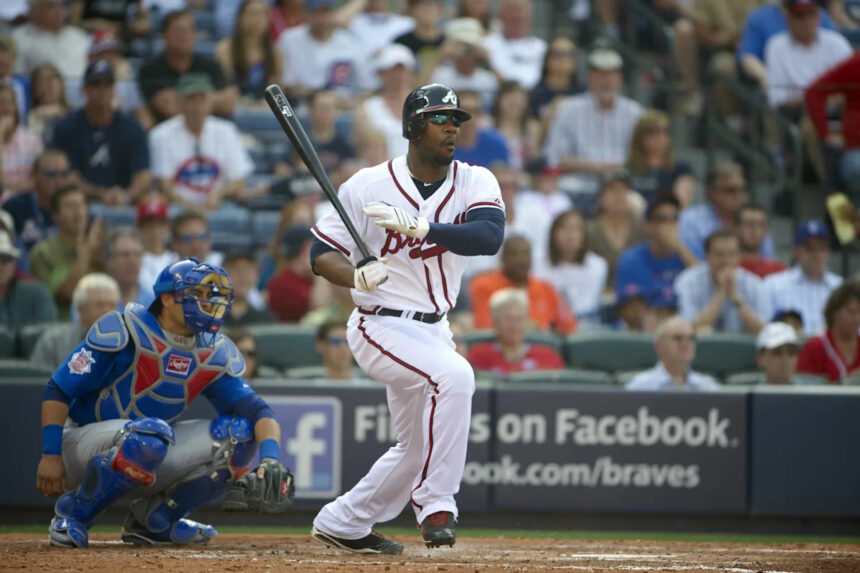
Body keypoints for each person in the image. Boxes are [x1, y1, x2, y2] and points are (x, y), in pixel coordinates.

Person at [308, 83, 506, 553]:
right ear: (414, 126)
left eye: (457, 120)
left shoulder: (475, 180)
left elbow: (488, 236)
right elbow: (321, 255)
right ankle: (436, 501)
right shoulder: (367, 185)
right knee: (455, 378)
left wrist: (424, 228)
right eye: (441, 119)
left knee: (416, 447)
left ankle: (343, 521)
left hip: (435, 328)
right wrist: (359, 271)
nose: (453, 128)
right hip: (379, 323)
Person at [37, 258, 289, 548]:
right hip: (82, 443)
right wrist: (50, 455)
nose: (207, 303)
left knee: (240, 435)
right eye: (198, 294)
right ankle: (73, 515)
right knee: (150, 435)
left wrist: (270, 458)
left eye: (211, 297)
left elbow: (258, 411)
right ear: (167, 298)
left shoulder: (213, 351)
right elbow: (58, 389)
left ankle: (154, 521)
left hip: (150, 448)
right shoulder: (123, 331)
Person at [543, 47, 643, 196]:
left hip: (623, 189)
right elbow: (555, 157)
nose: (606, 81)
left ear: (620, 78)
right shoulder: (570, 109)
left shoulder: (635, 112)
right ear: (589, 77)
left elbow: (644, 158)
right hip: (577, 188)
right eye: (600, 75)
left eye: (611, 75)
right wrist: (602, 168)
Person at [51, 60, 151, 206]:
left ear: (114, 89)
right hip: (82, 202)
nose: (102, 90)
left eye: (108, 85)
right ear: (84, 89)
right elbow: (68, 176)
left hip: (125, 202)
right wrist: (102, 195)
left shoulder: (131, 127)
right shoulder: (67, 127)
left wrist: (126, 196)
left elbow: (143, 175)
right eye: (96, 85)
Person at [149, 74, 253, 210]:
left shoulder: (227, 130)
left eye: (202, 99)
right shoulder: (160, 134)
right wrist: (191, 209)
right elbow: (164, 185)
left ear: (210, 101)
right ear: (180, 102)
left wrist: (218, 194)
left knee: (236, 216)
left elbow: (239, 179)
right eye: (191, 99)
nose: (197, 106)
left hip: (219, 204)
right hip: (178, 206)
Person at [137, 9, 238, 125]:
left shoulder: (209, 65)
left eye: (189, 30)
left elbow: (229, 101)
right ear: (164, 35)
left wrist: (184, 100)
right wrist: (210, 100)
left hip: (210, 132)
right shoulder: (151, 70)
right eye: (178, 31)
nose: (184, 36)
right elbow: (169, 107)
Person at [615, 194, 697, 330]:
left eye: (674, 219)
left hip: (687, 324)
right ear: (648, 225)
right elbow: (626, 311)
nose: (669, 225)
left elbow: (704, 285)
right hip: (644, 327)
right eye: (663, 219)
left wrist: (679, 246)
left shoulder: (691, 251)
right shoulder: (631, 259)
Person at [471, 235, 576, 333]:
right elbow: (484, 328)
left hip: (544, 348)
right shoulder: (484, 286)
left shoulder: (545, 288)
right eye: (514, 254)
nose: (520, 259)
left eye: (525, 254)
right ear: (502, 258)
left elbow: (568, 326)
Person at [29, 185, 103, 317]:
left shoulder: (101, 248)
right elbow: (67, 295)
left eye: (81, 205)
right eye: (70, 206)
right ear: (55, 216)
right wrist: (87, 251)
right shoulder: (42, 253)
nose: (78, 211)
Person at [764, 0, 851, 112]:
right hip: (795, 114)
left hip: (838, 111)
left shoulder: (837, 42)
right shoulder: (776, 47)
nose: (807, 21)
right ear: (788, 18)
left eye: (811, 14)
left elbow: (851, 87)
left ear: (819, 16)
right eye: (800, 16)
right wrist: (816, 99)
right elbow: (777, 99)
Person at [679, 160, 774, 260]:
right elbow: (689, 262)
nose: (738, 196)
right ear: (711, 193)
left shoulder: (756, 222)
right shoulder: (690, 220)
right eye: (730, 190)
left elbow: (767, 263)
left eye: (742, 189)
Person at [277, 0, 370, 102]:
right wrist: (320, 96)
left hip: (343, 109)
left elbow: (367, 86)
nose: (321, 18)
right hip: (301, 106)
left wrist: (352, 101)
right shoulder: (289, 39)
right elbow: (286, 86)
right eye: (316, 12)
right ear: (305, 13)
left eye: (325, 12)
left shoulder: (350, 41)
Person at [764, 220, 842, 336]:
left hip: (827, 351)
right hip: (790, 351)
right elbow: (765, 330)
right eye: (810, 247)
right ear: (796, 250)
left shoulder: (840, 287)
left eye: (823, 247)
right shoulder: (774, 285)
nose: (817, 254)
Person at [467, 287, 566, 376]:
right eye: (508, 319)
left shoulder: (548, 356)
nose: (514, 326)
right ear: (495, 323)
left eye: (519, 319)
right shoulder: (479, 356)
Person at [30, 273, 120, 367]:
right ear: (80, 309)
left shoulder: (126, 345)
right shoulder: (54, 342)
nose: (107, 311)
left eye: (112, 305)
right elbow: (38, 379)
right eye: (99, 305)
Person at [805, 51, 860, 201]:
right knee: (856, 168)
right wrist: (826, 134)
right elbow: (814, 92)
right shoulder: (856, 64)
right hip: (855, 150)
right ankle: (848, 221)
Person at [536, 209, 608, 324]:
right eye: (564, 228)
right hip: (547, 322)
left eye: (577, 229)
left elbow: (587, 305)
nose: (571, 235)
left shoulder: (598, 265)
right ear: (553, 233)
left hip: (585, 323)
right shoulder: (537, 263)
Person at [626, 316, 722, 391]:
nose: (685, 344)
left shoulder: (708, 387)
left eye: (691, 338)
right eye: (677, 338)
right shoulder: (640, 386)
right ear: (658, 346)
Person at [587, 170, 646, 289]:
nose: (619, 195)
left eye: (624, 190)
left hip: (637, 294)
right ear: (601, 197)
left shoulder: (641, 227)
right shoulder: (590, 230)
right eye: (612, 189)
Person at [356, 44, 416, 160]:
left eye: (402, 70)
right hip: (384, 170)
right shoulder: (368, 108)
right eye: (392, 71)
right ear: (381, 74)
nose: (398, 76)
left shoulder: (425, 104)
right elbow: (364, 150)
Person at [1, 148, 69, 250]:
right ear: (35, 175)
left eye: (64, 174)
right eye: (51, 174)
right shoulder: (14, 207)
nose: (59, 181)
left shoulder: (75, 208)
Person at [215, 0, 283, 102]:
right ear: (240, 18)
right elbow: (226, 85)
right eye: (252, 14)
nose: (256, 19)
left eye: (261, 14)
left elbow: (276, 91)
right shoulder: (225, 49)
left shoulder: (277, 53)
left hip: (265, 107)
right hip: (234, 105)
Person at [626, 110, 696, 207]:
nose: (661, 137)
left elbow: (680, 203)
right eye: (654, 132)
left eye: (665, 132)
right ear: (641, 137)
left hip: (666, 218)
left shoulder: (681, 168)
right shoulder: (628, 168)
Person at [797, 281, 860, 383]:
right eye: (851, 312)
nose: (857, 318)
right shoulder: (815, 347)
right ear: (834, 312)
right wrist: (850, 381)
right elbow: (805, 390)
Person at [12, 0, 89, 80]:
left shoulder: (79, 36)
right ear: (34, 11)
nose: (58, 10)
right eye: (51, 5)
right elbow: (17, 77)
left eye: (61, 5)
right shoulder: (19, 38)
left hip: (84, 89)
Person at [481, 0, 546, 91]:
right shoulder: (486, 45)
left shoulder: (541, 47)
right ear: (500, 15)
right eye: (511, 10)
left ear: (530, 16)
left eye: (521, 10)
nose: (517, 15)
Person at [0, 228, 57, 329]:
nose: (0, 266)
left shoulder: (37, 294)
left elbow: (50, 334)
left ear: (14, 263)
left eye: (5, 259)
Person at [0, 82, 43, 195]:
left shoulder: (31, 140)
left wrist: (17, 188)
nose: (5, 108)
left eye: (9, 102)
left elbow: (41, 177)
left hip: (26, 199)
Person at [528, 36, 583, 123]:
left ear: (574, 61)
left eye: (566, 54)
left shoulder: (584, 94)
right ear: (546, 59)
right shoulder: (534, 95)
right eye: (556, 54)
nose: (561, 59)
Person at [267, 224, 315, 323]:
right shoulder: (282, 284)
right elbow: (318, 311)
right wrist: (321, 271)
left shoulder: (308, 280)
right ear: (305, 250)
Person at [451, 89, 510, 168]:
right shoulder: (441, 146)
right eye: (464, 111)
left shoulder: (495, 144)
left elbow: (505, 177)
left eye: (474, 111)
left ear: (481, 114)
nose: (469, 117)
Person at [491, 81, 539, 170]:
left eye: (519, 100)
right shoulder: (487, 126)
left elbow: (533, 161)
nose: (515, 103)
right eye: (510, 100)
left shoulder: (532, 128)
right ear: (499, 101)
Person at [221, 250, 274, 327]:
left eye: (248, 271)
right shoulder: (208, 317)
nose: (243, 277)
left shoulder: (265, 320)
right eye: (237, 270)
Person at [736, 203, 787, 278]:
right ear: (737, 229)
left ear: (766, 231)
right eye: (749, 224)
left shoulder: (779, 271)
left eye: (760, 225)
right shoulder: (724, 267)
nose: (754, 230)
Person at [136, 195, 175, 293]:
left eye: (159, 225)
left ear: (167, 227)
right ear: (139, 228)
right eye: (148, 225)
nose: (154, 231)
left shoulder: (177, 260)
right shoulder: (133, 259)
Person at [394, 0, 445, 74]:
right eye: (424, 5)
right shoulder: (401, 43)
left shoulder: (448, 42)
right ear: (412, 10)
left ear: (440, 10)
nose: (429, 10)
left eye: (432, 5)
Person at [26, 62, 70, 142]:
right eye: (40, 82)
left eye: (49, 80)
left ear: (61, 83)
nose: (44, 86)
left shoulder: (76, 113)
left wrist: (60, 111)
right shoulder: (30, 116)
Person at [755, 321, 803, 385]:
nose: (785, 358)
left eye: (792, 351)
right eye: (778, 352)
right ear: (760, 358)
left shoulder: (811, 392)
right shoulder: (744, 392)